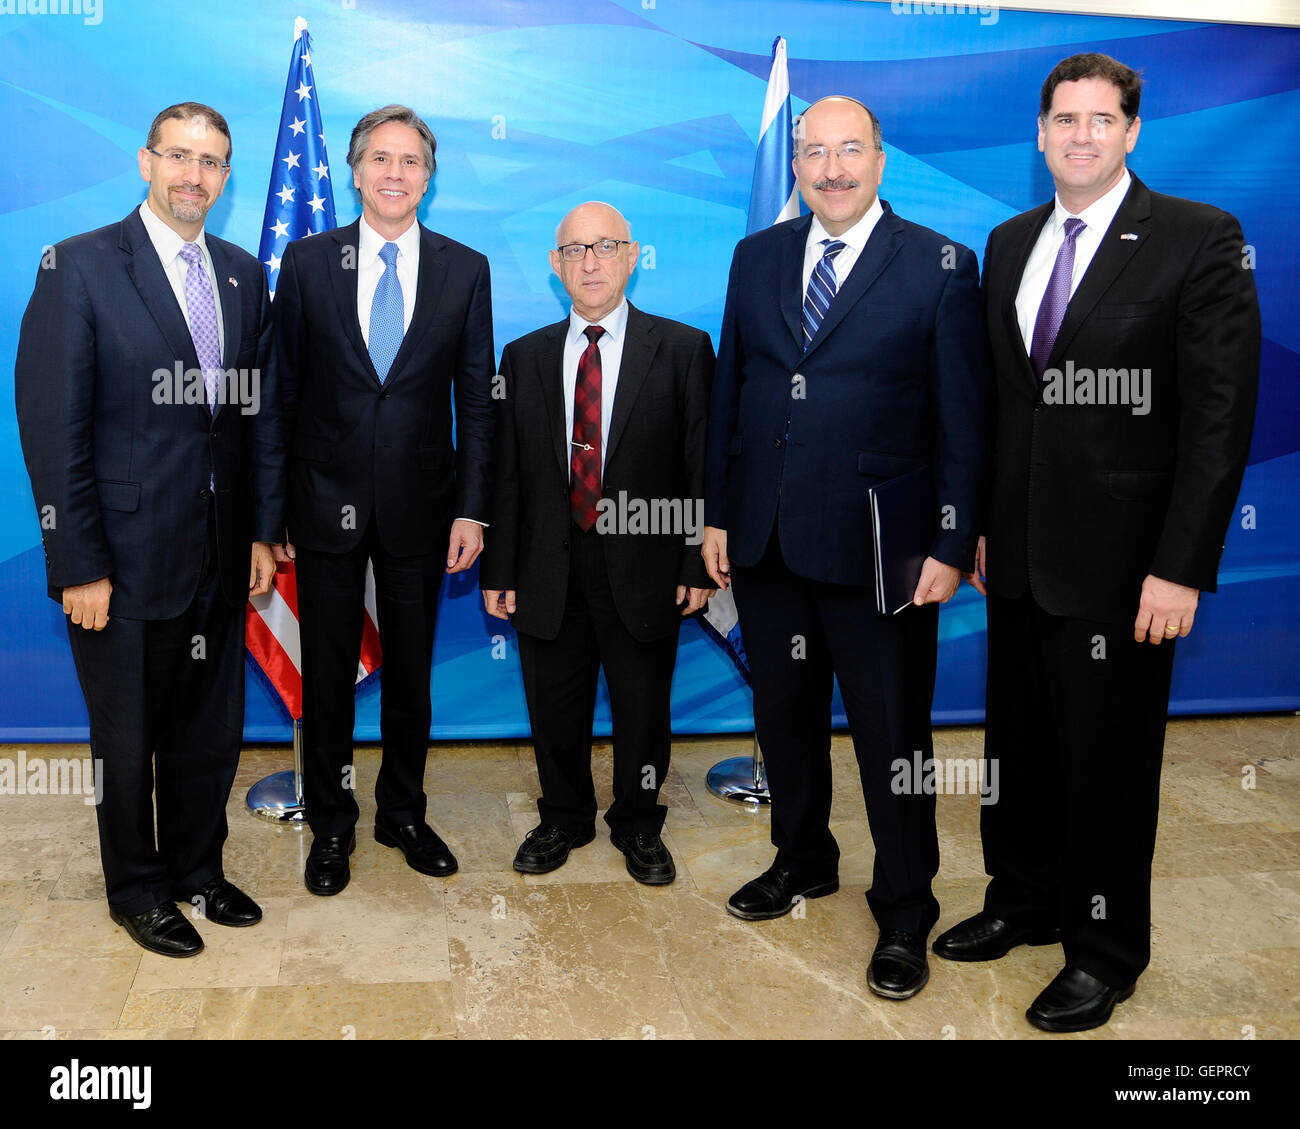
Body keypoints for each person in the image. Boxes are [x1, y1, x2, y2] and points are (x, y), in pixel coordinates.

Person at [933, 53, 1260, 1032]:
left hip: (1128, 570)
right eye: (1063, 119)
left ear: (1131, 133)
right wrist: (985, 527)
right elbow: (1003, 404)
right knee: (1019, 748)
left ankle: (1105, 949)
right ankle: (1021, 901)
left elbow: (1216, 416)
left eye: (1100, 119)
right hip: (1020, 557)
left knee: (1107, 767)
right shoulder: (1008, 239)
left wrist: (1179, 565)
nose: (1080, 135)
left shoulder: (1198, 239)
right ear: (1039, 135)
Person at [701, 97, 990, 999]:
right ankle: (803, 858)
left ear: (880, 158)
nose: (830, 168)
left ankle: (905, 906)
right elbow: (732, 391)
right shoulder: (758, 257)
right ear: (796, 164)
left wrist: (950, 537)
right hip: (769, 540)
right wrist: (716, 513)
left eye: (848, 150)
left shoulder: (942, 264)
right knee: (784, 722)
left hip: (882, 552)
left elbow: (963, 421)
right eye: (813, 152)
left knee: (890, 735)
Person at [14, 102, 283, 957]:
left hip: (216, 550)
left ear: (226, 177)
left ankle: (198, 869)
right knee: (126, 736)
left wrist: (257, 535)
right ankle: (136, 888)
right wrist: (77, 562)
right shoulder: (81, 266)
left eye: (211, 162)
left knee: (209, 726)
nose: (193, 176)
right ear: (145, 160)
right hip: (120, 562)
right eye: (179, 156)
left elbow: (248, 418)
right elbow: (52, 428)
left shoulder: (243, 273)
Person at [273, 105, 495, 895]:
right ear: (356, 170)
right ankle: (330, 826)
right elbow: (280, 394)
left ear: (428, 179)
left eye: (412, 162)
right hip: (320, 509)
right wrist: (273, 517)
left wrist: (472, 510)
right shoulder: (306, 262)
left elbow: (476, 400)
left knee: (409, 678)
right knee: (328, 676)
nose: (396, 174)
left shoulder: (466, 270)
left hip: (422, 513)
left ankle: (402, 812)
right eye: (382, 159)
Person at [481, 202, 715, 883]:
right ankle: (563, 816)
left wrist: (692, 557)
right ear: (555, 265)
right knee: (554, 701)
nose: (590, 261)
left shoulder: (681, 348)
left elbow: (698, 463)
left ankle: (639, 823)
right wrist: (502, 566)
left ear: (632, 255)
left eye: (605, 246)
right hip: (547, 564)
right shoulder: (522, 358)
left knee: (643, 706)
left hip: (646, 562)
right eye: (575, 250)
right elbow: (508, 476)